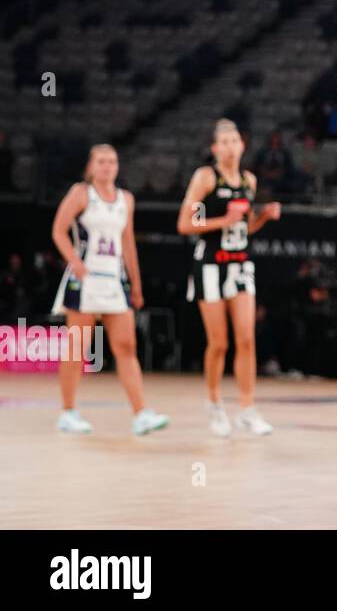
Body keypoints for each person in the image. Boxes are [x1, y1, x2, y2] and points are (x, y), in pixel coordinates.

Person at [50, 144, 169, 435]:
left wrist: (136, 284)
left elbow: (128, 244)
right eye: (101, 161)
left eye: (112, 161)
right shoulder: (81, 193)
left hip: (114, 280)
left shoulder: (126, 200)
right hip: (85, 279)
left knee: (126, 347)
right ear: (91, 166)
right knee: (77, 347)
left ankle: (141, 413)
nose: (107, 166)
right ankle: (68, 411)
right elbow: (58, 230)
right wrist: (75, 261)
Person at [178, 119, 282, 437]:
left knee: (247, 339)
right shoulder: (206, 177)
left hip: (240, 264)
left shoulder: (248, 181)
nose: (229, 146)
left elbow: (243, 228)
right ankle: (214, 404)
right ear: (214, 149)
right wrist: (223, 219)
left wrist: (262, 217)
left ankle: (248, 409)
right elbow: (186, 223)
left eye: (234, 140)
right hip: (209, 264)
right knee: (219, 343)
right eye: (222, 141)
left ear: (242, 145)